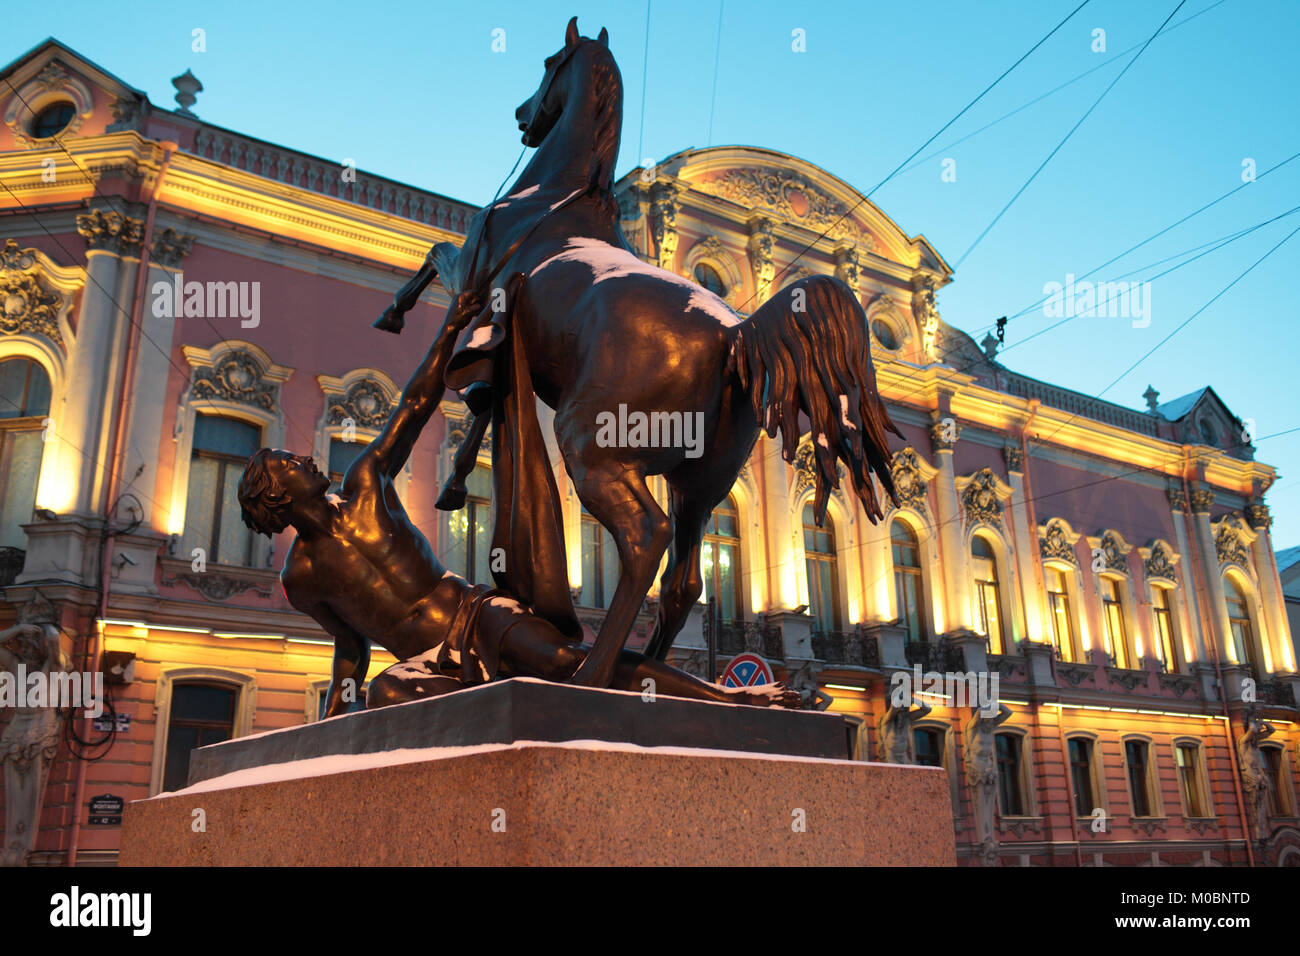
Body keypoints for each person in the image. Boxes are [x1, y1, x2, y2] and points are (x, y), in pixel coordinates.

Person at [237, 301, 798, 717]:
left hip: (475, 614)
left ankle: (730, 696)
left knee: (563, 662)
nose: (303, 458)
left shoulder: (365, 485)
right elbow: (349, 649)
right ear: (276, 495)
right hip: (426, 665)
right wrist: (335, 721)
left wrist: (453, 328)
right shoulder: (302, 578)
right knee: (386, 693)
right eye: (288, 462)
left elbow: (413, 405)